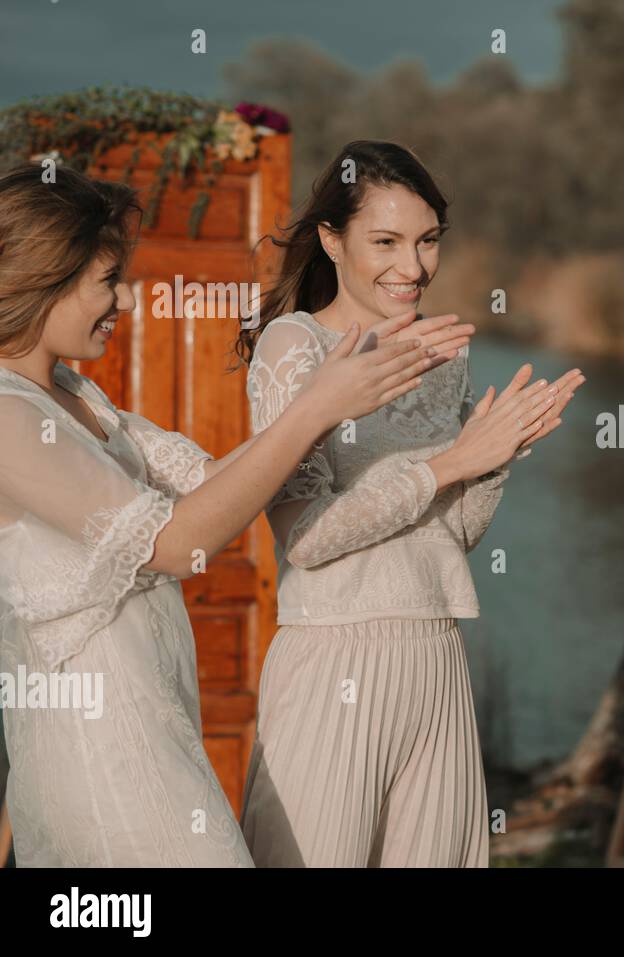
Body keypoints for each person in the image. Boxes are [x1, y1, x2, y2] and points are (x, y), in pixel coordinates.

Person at [0, 163, 441, 866]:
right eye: (107, 280)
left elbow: (211, 480)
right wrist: (318, 409)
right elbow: (175, 543)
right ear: (42, 277)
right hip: (98, 763)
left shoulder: (77, 395)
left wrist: (322, 401)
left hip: (160, 736)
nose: (125, 301)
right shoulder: (6, 415)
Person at [237, 141, 584, 867]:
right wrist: (457, 460)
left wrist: (497, 457)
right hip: (334, 656)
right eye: (386, 242)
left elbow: (450, 533)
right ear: (332, 239)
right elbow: (305, 535)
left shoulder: (440, 350)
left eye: (428, 241)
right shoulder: (293, 347)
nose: (414, 266)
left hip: (438, 656)